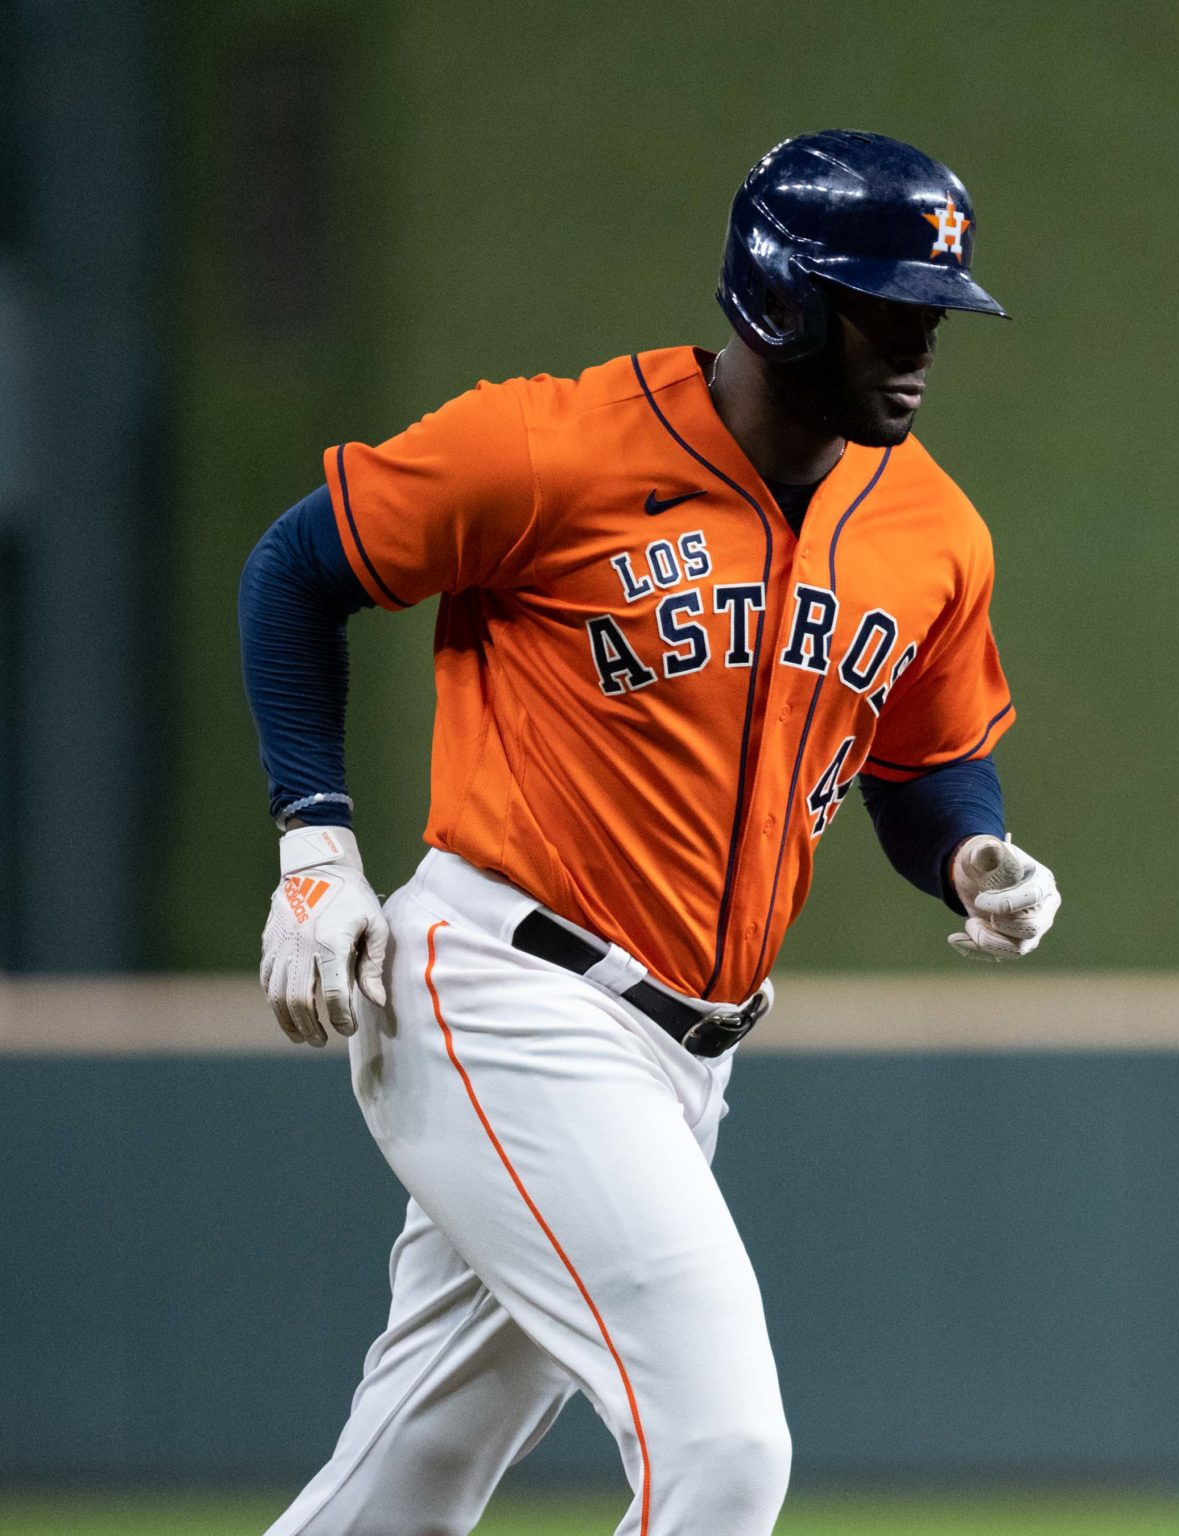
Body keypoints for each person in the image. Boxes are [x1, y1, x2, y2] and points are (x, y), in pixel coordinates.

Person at [236, 130, 1061, 1536]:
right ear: (782, 297)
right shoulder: (553, 447)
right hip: (506, 988)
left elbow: (924, 758)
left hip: (688, 1053)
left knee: (406, 1483)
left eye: (934, 313)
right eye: (888, 308)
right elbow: (298, 567)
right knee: (725, 1448)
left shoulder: (932, 528)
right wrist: (315, 844)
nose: (920, 343)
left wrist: (969, 851)